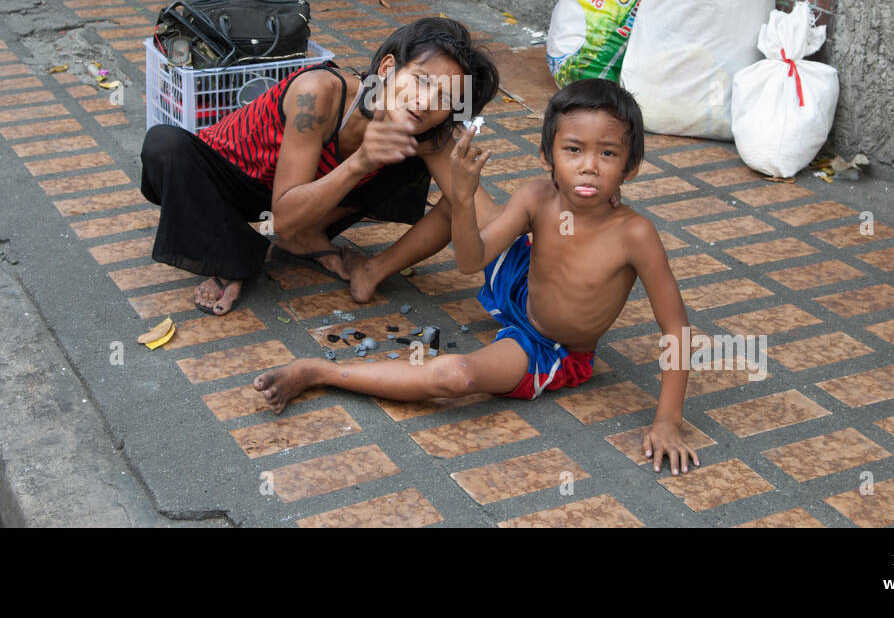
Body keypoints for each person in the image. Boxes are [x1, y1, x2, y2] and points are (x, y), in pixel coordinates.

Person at [254, 78, 701, 475]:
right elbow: (472, 260)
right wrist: (464, 199)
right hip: (517, 281)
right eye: (573, 150)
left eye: (608, 153)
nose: (589, 165)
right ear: (547, 157)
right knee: (465, 201)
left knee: (455, 377)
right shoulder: (537, 195)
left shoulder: (635, 234)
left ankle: (318, 372)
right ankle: (376, 268)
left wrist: (667, 422)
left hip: (547, 346)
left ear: (631, 166)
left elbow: (676, 328)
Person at [140, 17, 502, 316]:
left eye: (444, 98)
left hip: (303, 197)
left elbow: (487, 220)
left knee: (454, 189)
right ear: (389, 68)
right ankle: (232, 256)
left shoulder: (426, 132)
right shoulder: (319, 92)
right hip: (230, 181)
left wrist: (544, 243)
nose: (425, 102)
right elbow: (282, 216)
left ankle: (322, 248)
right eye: (421, 81)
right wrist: (361, 162)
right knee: (163, 146)